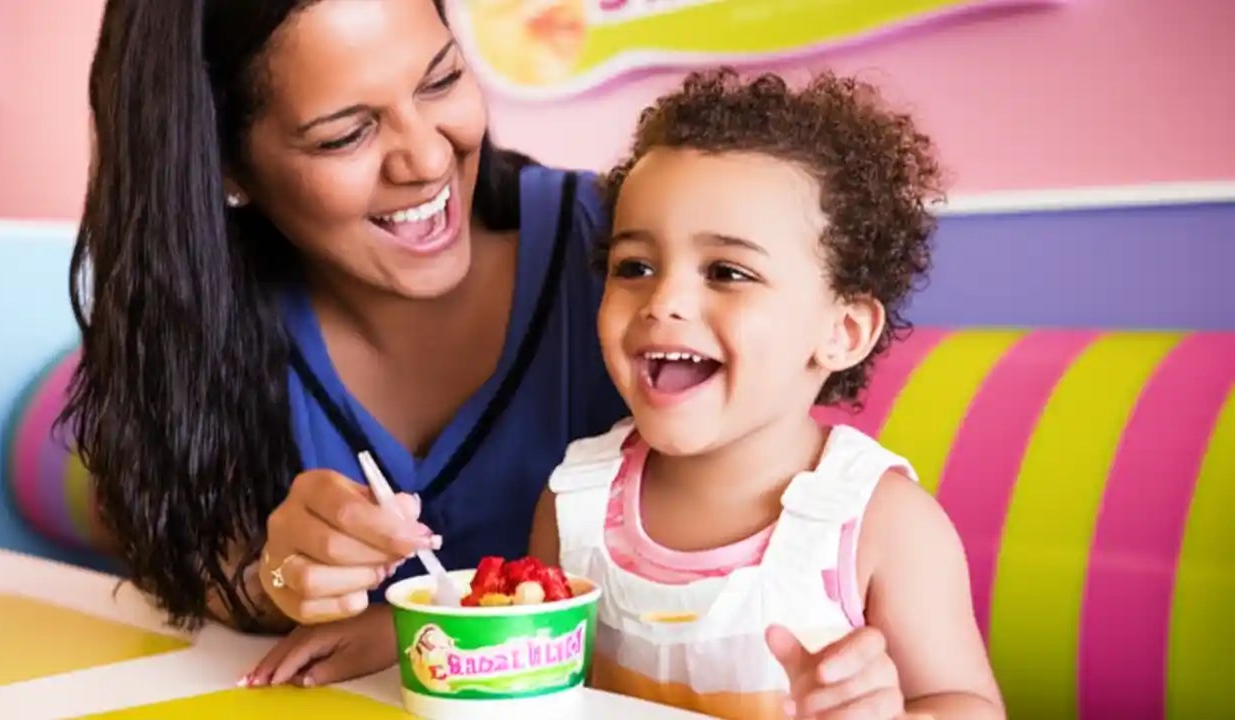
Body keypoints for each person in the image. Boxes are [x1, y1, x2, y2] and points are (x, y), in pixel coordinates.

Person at [249, 68, 1005, 719]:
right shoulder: (577, 497)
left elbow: (972, 704)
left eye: (728, 273)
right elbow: (532, 646)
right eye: (635, 265)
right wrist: (404, 630)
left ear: (842, 331)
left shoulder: (879, 525)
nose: (663, 301)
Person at [64, 0, 624, 655]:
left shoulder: (629, 255)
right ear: (226, 167)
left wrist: (440, 632)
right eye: (345, 135)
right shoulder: (199, 329)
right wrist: (275, 580)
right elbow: (193, 561)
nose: (424, 158)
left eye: (440, 81)